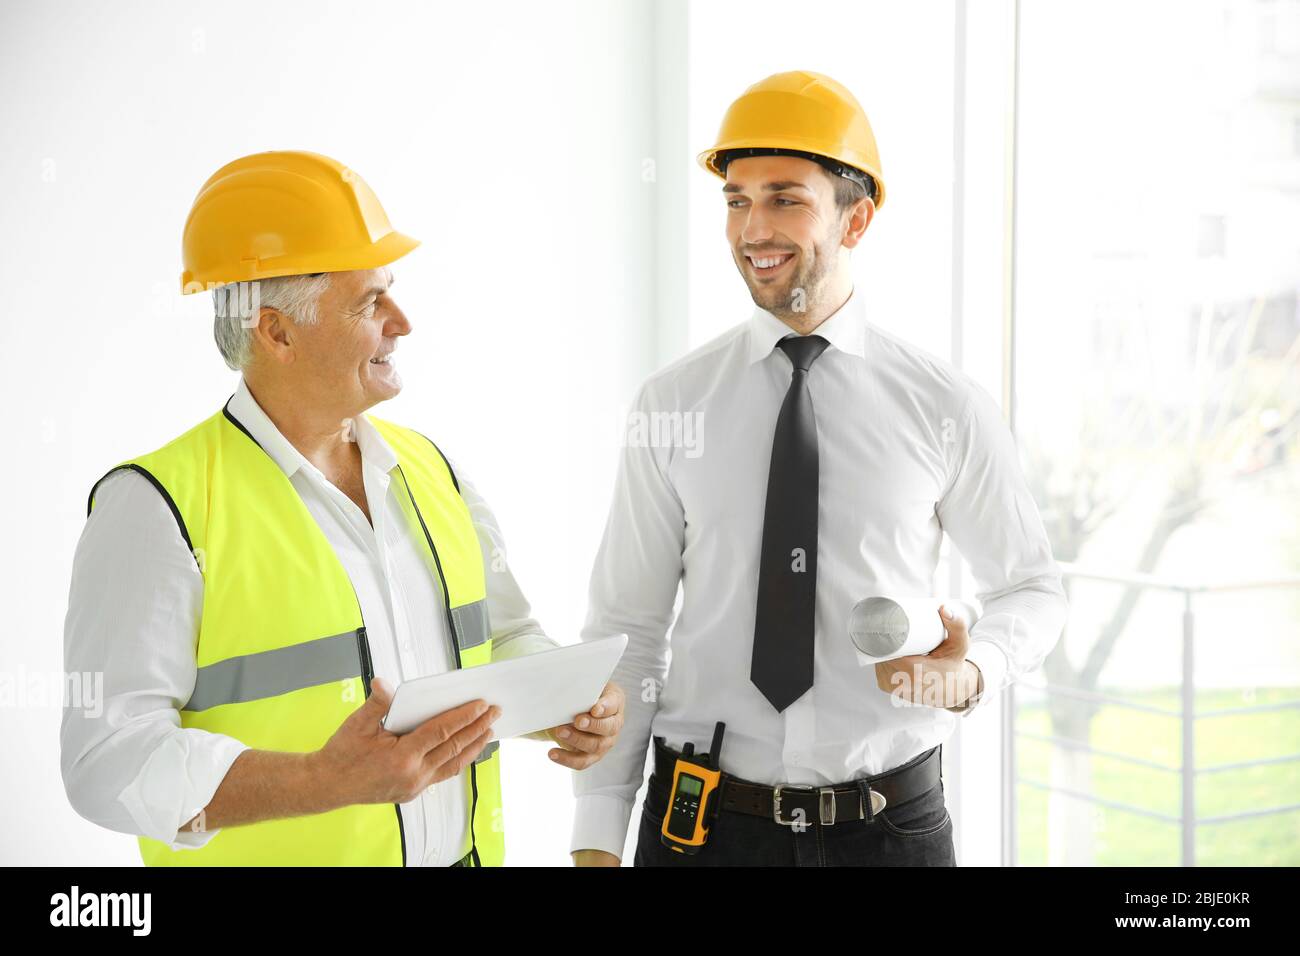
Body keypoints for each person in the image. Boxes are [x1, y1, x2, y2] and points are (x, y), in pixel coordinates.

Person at [62, 150, 625, 866]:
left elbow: (505, 639)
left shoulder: (433, 472)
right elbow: (106, 760)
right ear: (277, 332)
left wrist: (563, 702)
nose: (404, 321)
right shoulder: (156, 508)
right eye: (369, 302)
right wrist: (318, 782)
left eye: (391, 291)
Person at [569, 72, 1067, 866]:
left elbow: (1032, 589)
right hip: (701, 831)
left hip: (888, 831)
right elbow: (629, 629)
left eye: (785, 199)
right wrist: (597, 834)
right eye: (736, 200)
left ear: (857, 217)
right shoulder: (673, 403)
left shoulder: (944, 405)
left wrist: (973, 670)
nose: (752, 228)